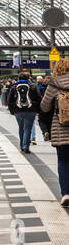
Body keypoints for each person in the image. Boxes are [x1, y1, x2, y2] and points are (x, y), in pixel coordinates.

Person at [40, 59, 69, 207]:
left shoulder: (54, 84)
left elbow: (44, 107)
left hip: (61, 127)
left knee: (63, 161)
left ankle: (66, 193)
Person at [6, 73, 39, 153]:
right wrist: (37, 110)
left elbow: (9, 100)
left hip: (18, 110)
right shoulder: (33, 86)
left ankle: (21, 145)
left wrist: (12, 111)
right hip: (30, 110)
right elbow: (38, 98)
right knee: (28, 129)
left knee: (21, 128)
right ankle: (26, 146)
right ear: (28, 78)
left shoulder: (14, 87)